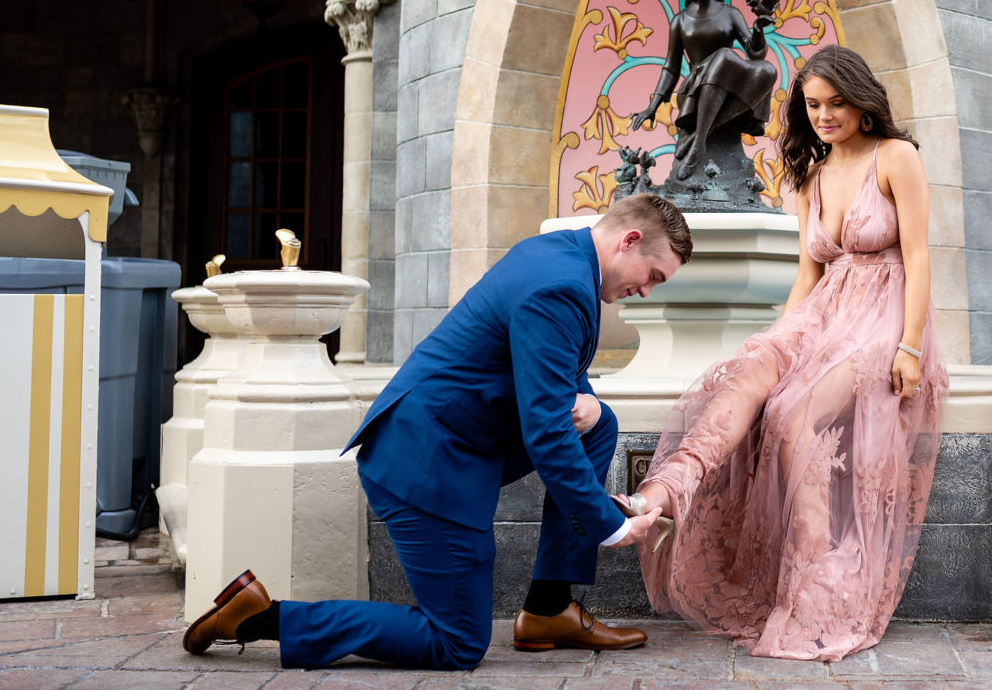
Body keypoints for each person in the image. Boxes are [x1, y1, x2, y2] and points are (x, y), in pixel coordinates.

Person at [182, 194, 693, 669]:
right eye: (653, 275)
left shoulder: (560, 257)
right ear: (629, 240)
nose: (645, 290)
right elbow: (547, 433)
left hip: (461, 441)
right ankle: (261, 617)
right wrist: (612, 524)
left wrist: (585, 405)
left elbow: (555, 380)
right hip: (424, 463)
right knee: (457, 643)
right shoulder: (561, 285)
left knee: (601, 424)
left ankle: (547, 608)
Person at [617, 45, 945, 661]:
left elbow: (921, 255)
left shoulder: (896, 157)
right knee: (743, 376)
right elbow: (808, 272)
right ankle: (659, 496)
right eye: (813, 105)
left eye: (836, 103)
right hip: (826, 310)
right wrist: (780, 338)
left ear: (862, 100)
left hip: (883, 314)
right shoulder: (812, 174)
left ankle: (818, 575)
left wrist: (910, 346)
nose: (823, 116)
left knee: (792, 417)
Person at [629, 0, 778, 182]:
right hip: (693, 91)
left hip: (726, 87)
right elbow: (671, 68)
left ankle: (699, 135)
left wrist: (759, 30)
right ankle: (698, 145)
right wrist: (653, 105)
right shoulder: (680, 21)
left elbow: (755, 55)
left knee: (768, 70)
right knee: (725, 55)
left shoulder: (730, 13)